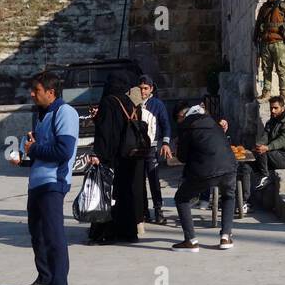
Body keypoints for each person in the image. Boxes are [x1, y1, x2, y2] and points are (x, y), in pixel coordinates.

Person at [12, 70, 80, 285]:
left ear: (51, 92)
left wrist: (33, 150)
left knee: (53, 237)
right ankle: (45, 277)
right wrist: (23, 156)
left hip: (53, 183)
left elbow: (64, 151)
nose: (32, 94)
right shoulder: (42, 115)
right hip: (38, 182)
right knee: (38, 235)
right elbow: (38, 151)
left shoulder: (65, 112)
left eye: (36, 90)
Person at [86, 73, 149, 245]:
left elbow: (106, 133)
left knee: (108, 195)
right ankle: (129, 232)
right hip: (130, 156)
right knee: (126, 194)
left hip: (113, 158)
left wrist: (98, 154)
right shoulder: (131, 103)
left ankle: (107, 232)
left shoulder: (108, 102)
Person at [172, 101, 238, 252]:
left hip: (205, 170)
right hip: (229, 165)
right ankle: (226, 237)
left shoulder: (186, 127)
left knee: (181, 198)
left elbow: (182, 157)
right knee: (228, 196)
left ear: (181, 116)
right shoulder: (211, 121)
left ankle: (191, 240)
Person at [241, 95, 285, 210]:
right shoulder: (270, 122)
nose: (272, 111)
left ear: (282, 108)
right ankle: (245, 201)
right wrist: (258, 145)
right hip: (268, 155)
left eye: (275, 108)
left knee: (264, 152)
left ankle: (265, 176)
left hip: (284, 157)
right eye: (271, 108)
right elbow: (265, 136)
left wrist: (267, 147)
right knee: (246, 167)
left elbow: (283, 140)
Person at [254, 0, 285, 100]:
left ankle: (283, 94)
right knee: (266, 69)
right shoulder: (264, 8)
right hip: (265, 43)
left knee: (281, 70)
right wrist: (255, 38)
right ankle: (266, 92)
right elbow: (258, 24)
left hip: (279, 44)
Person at [139, 76, 172, 225]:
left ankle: (158, 211)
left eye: (145, 88)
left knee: (154, 180)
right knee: (139, 181)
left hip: (152, 147)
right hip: (137, 149)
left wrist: (165, 143)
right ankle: (144, 211)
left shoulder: (157, 104)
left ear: (151, 89)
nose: (142, 91)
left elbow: (165, 124)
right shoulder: (134, 103)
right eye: (140, 88)